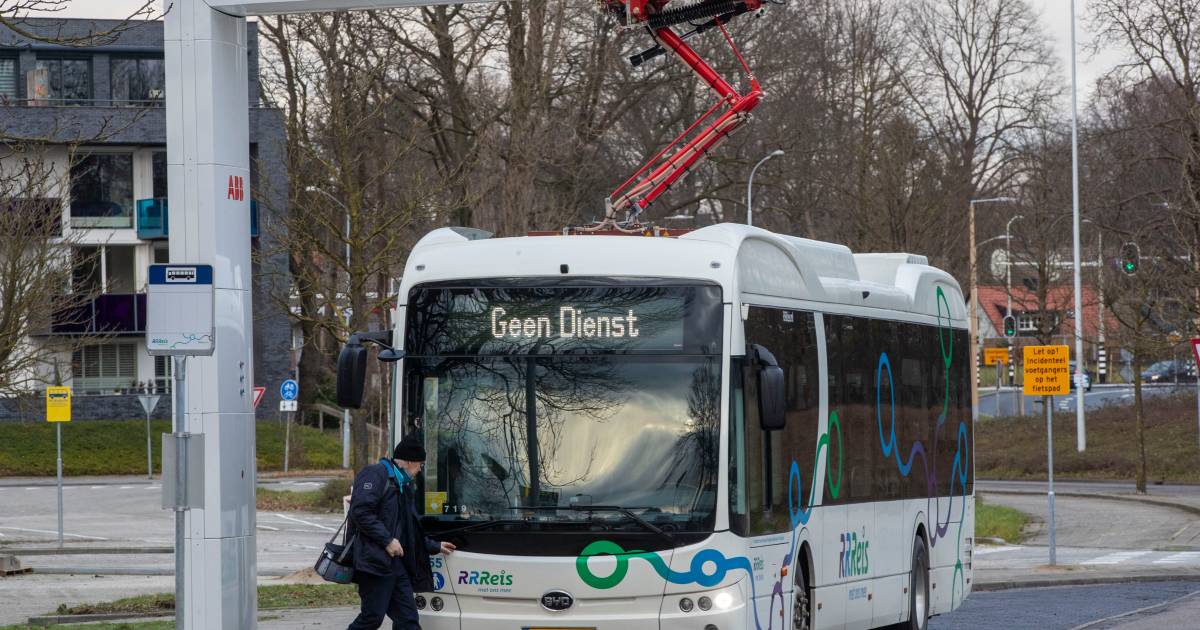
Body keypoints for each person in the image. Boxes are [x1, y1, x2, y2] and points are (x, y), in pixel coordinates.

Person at [347, 433, 456, 630]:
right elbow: (360, 511)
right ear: (408, 461)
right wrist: (387, 540)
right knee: (371, 618)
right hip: (374, 564)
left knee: (408, 620)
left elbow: (408, 530)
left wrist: (433, 546)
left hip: (397, 565)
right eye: (420, 465)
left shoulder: (403, 485)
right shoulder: (376, 474)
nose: (420, 469)